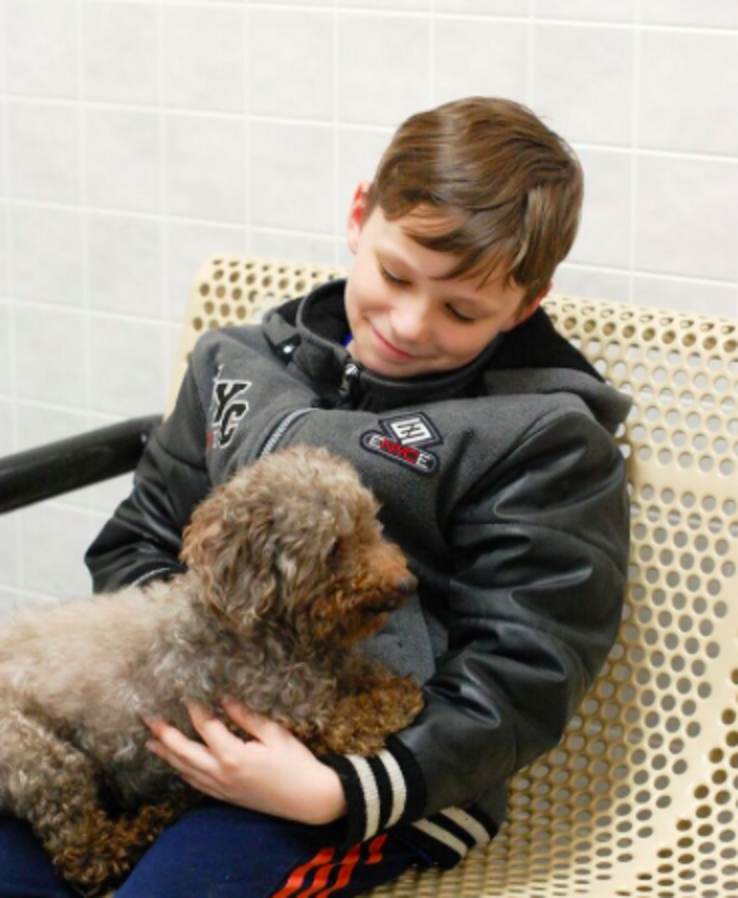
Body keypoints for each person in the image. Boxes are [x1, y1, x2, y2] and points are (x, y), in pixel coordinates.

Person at [0, 96, 631, 898]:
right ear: (359, 216)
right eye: (394, 274)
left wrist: (334, 792)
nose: (407, 322)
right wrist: (173, 689)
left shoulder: (542, 438)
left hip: (373, 786)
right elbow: (141, 542)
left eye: (461, 310)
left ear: (526, 303)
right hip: (173, 744)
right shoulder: (237, 363)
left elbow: (526, 670)